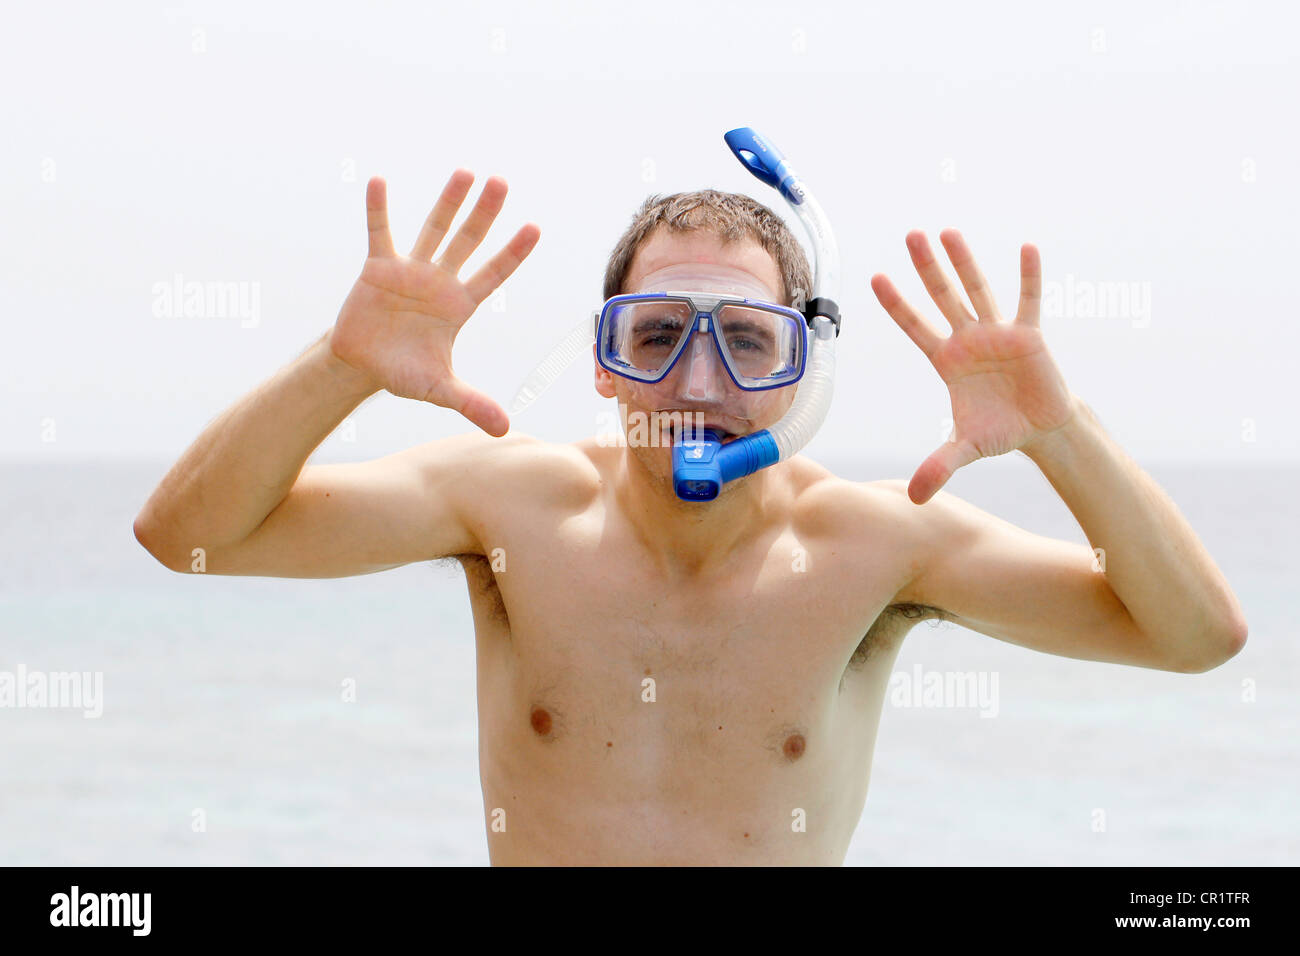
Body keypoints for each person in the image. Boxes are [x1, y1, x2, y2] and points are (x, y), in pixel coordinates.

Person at [133, 169, 1248, 865]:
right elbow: (190, 537)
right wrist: (342, 367)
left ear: (800, 373)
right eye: (656, 335)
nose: (698, 383)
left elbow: (1195, 637)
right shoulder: (507, 505)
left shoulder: (880, 545)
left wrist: (1061, 431)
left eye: (748, 341)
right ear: (605, 364)